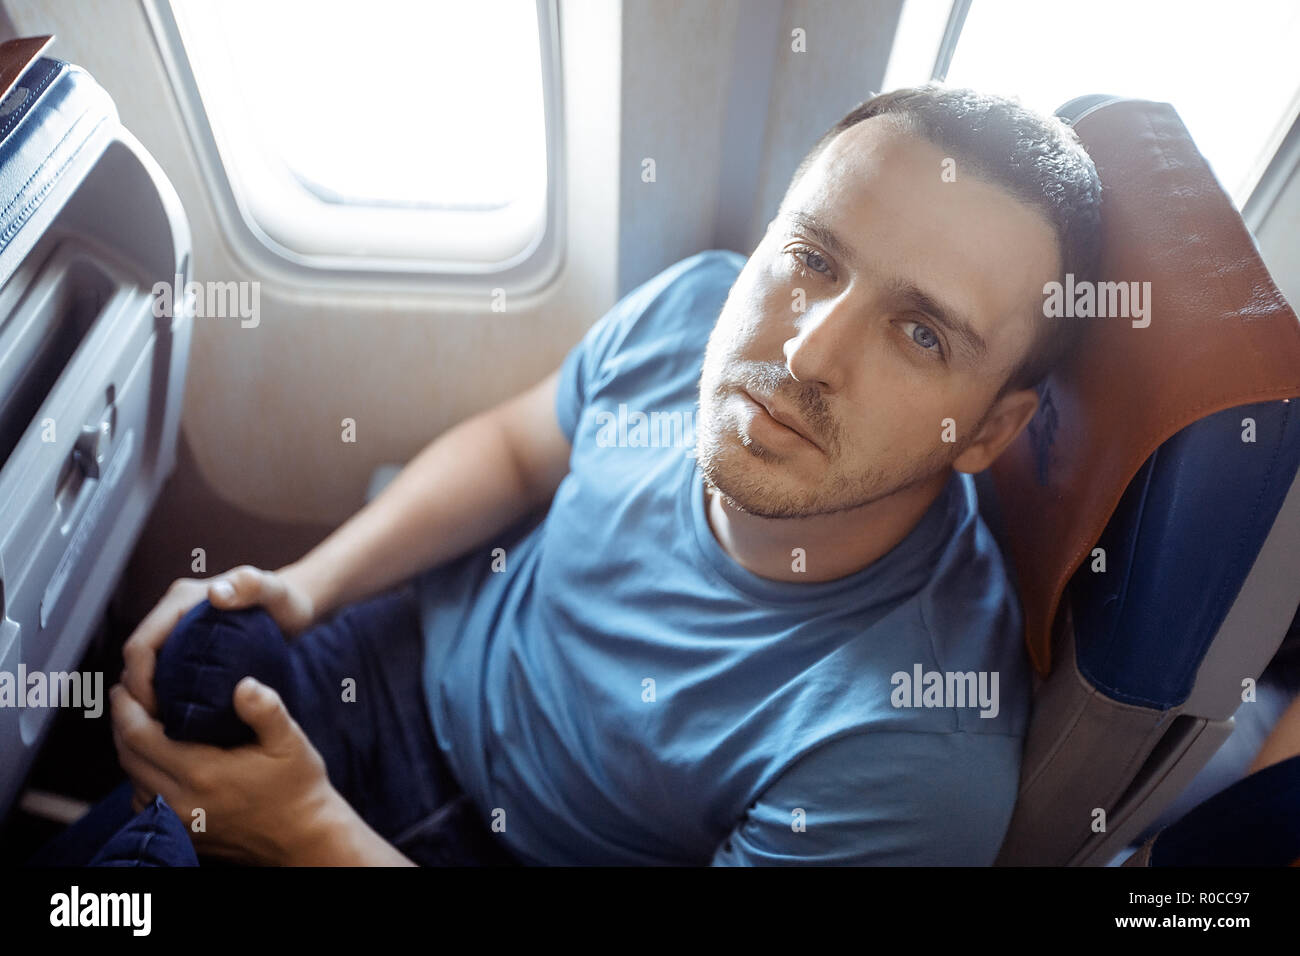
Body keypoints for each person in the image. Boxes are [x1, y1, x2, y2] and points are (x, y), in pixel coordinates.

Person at [104, 85, 1104, 865]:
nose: (805, 352)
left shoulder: (910, 754)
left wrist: (307, 831)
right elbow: (513, 448)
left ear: (990, 429)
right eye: (812, 255)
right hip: (411, 656)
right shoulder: (692, 310)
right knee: (190, 672)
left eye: (921, 332)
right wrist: (304, 589)